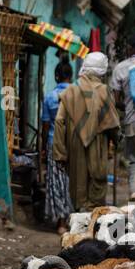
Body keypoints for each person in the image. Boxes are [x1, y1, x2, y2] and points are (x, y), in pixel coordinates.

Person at [53, 51, 120, 211]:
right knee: (96, 186)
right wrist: (117, 140)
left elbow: (59, 121)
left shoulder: (70, 91)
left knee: (78, 185)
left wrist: (60, 154)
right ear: (102, 72)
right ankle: (92, 223)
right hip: (97, 146)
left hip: (74, 145)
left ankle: (79, 219)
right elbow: (112, 124)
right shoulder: (104, 91)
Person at [109, 35, 135, 201]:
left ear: (130, 48)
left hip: (131, 122)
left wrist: (126, 106)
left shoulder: (120, 68)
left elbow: (116, 100)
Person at [42, 59, 75, 231]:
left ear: (56, 76)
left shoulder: (49, 96)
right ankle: (71, 220)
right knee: (71, 181)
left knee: (56, 182)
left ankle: (61, 222)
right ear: (71, 76)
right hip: (73, 146)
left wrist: (42, 147)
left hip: (53, 144)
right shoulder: (77, 95)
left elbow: (45, 124)